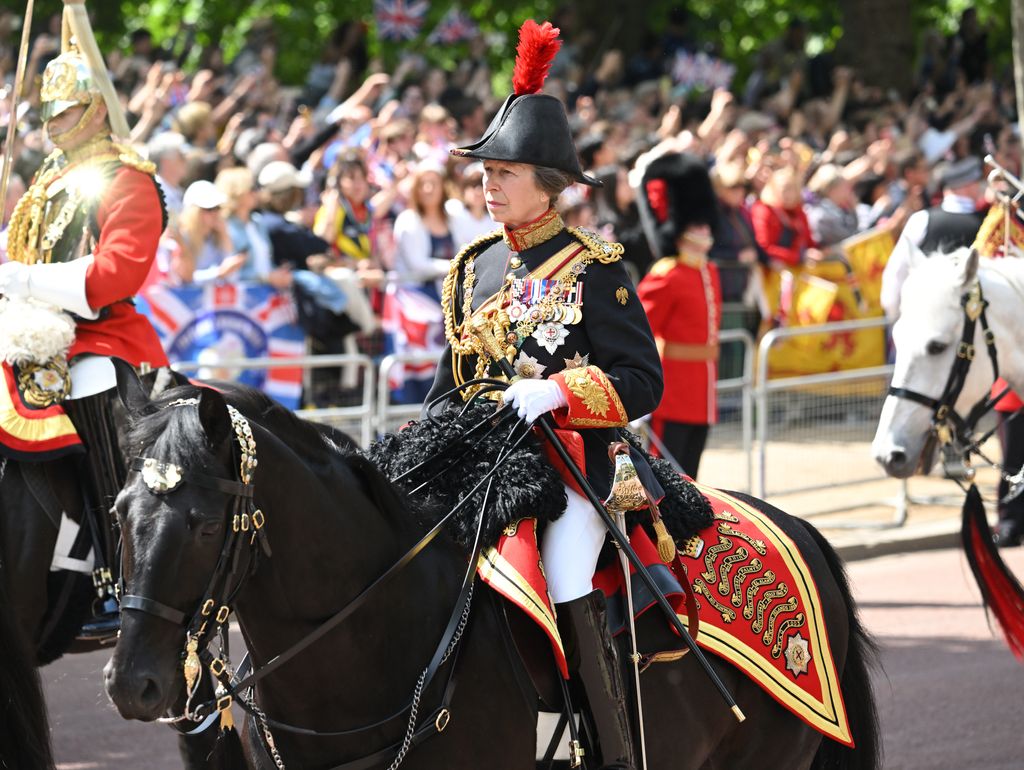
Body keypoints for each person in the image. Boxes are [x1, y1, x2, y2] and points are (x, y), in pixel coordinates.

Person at [427, 21, 662, 769]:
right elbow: (448, 384)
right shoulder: (471, 268)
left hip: (573, 467)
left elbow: (643, 381)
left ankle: (611, 748)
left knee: (562, 575)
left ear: (548, 183)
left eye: (504, 173)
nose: (488, 185)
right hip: (481, 466)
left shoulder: (597, 267)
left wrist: (562, 390)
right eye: (485, 173)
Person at [0, 0, 169, 638]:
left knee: (93, 384)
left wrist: (26, 280)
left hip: (100, 337)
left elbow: (114, 275)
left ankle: (117, 573)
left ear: (95, 107)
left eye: (66, 110)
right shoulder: (45, 181)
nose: (54, 123)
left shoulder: (124, 179)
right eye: (47, 113)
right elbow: (21, 255)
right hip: (30, 331)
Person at [636, 154, 722, 478]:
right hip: (673, 391)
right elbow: (641, 332)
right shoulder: (667, 274)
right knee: (668, 476)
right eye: (696, 225)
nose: (704, 230)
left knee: (693, 474)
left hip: (702, 388)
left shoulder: (709, 271)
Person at [880, 155, 986, 320]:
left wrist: (894, 317)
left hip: (926, 321)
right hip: (973, 322)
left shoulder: (922, 219)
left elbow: (895, 273)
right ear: (968, 186)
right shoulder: (987, 222)